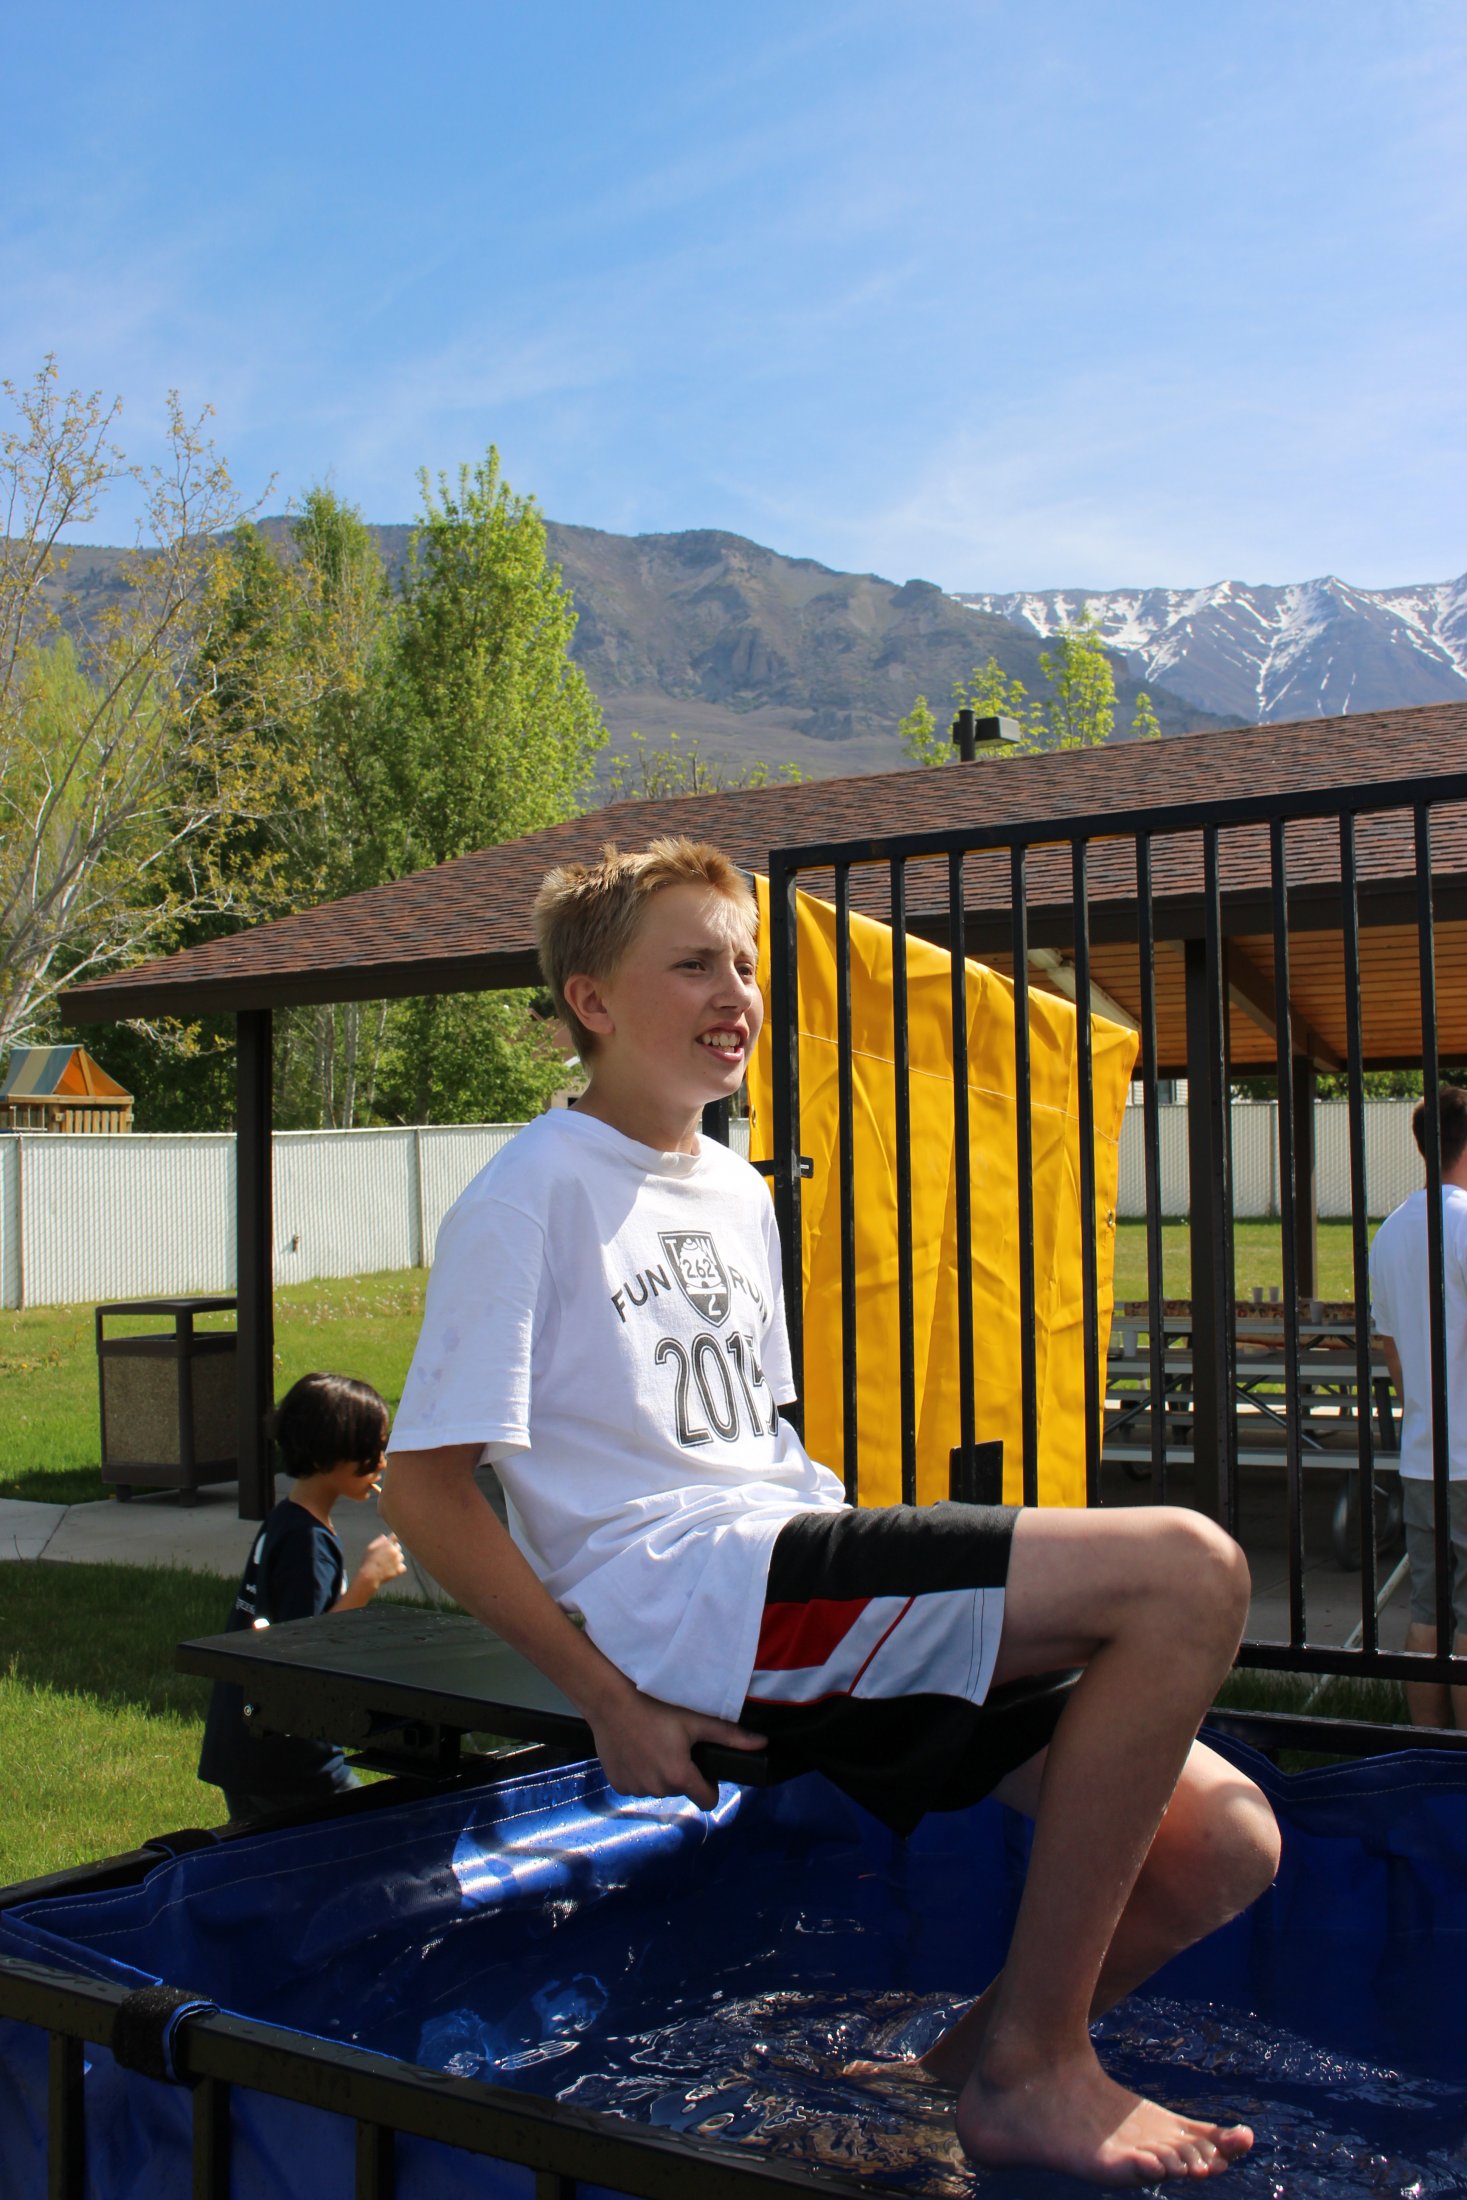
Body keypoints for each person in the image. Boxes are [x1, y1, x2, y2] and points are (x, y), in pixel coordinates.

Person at [381, 838, 1280, 2188]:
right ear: (591, 1001)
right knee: (1186, 1572)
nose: (735, 992)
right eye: (693, 963)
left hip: (787, 1564)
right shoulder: (531, 1191)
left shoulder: (736, 1189)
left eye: (745, 963)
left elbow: (759, 1447)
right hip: (695, 1602)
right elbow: (423, 1487)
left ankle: (942, 2082)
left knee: (1223, 1846)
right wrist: (607, 1700)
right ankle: (1036, 2069)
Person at [198, 1371, 406, 1823]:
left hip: (251, 1743)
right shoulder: (307, 1543)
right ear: (330, 1452)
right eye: (373, 1449)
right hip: (287, 1756)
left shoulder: (288, 1520)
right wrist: (368, 1581)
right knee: (360, 1839)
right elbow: (306, 1647)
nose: (383, 1463)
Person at [1368, 1084, 1467, 1728]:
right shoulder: (1465, 1222)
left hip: (1423, 1452)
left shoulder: (1390, 1232)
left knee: (1428, 1610)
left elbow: (1393, 1352)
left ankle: (1426, 1755)